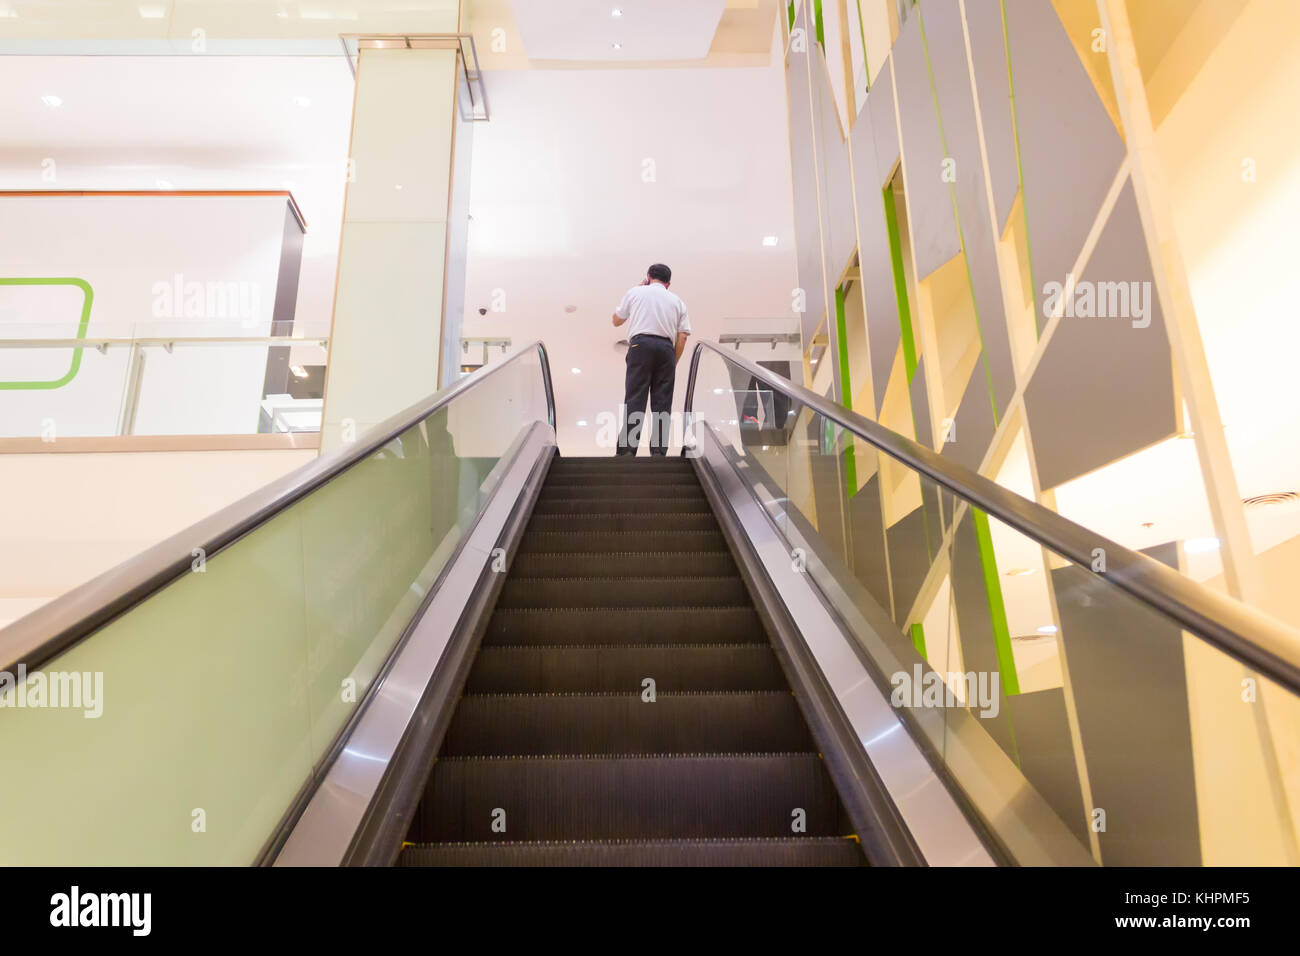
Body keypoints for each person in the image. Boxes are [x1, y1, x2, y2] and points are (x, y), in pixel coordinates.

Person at [611, 263, 691, 456]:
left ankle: (628, 451)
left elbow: (616, 320)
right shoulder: (677, 301)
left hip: (640, 346)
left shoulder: (636, 292)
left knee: (635, 398)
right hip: (666, 350)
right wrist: (673, 360)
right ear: (668, 283)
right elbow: (682, 336)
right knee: (662, 403)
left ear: (648, 277)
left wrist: (640, 286)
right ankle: (658, 452)